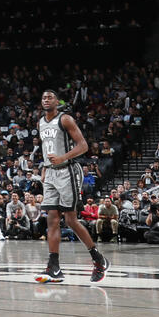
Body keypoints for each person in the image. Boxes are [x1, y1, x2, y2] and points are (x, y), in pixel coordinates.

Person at [33, 90, 107, 284]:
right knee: (52, 219)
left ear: (57, 101)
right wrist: (44, 167)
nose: (46, 99)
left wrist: (62, 158)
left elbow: (83, 146)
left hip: (68, 171)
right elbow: (47, 148)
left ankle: (98, 259)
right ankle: (54, 267)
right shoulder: (40, 122)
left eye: (50, 97)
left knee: (71, 220)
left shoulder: (65, 120)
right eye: (44, 97)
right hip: (50, 173)